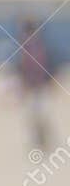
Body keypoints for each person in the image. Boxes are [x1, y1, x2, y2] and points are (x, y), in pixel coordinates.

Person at [18, 18, 55, 153]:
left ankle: (43, 142)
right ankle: (41, 141)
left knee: (39, 115)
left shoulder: (34, 47)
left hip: (37, 86)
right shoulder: (31, 47)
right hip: (34, 86)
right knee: (35, 115)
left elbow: (42, 67)